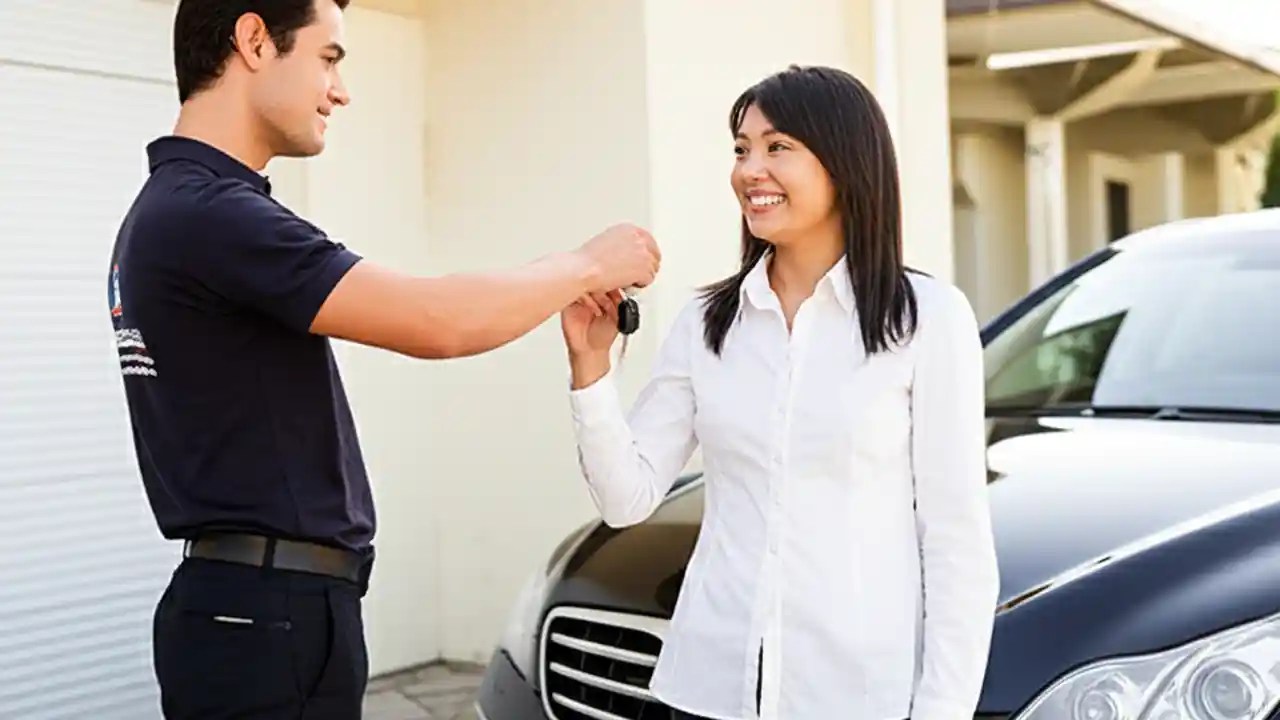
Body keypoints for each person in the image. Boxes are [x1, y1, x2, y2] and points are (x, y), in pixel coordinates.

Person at [107, 1, 659, 717]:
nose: (341, 90)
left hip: (252, 614)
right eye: (329, 58)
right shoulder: (211, 216)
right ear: (252, 40)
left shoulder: (173, 212)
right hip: (267, 622)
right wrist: (587, 263)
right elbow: (438, 321)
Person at [560, 65, 999, 720]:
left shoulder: (926, 319)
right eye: (741, 149)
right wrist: (591, 367)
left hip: (855, 696)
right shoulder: (709, 321)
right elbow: (628, 497)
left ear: (844, 162)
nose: (749, 170)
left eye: (777, 147)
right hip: (708, 688)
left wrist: (942, 710)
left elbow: (956, 540)